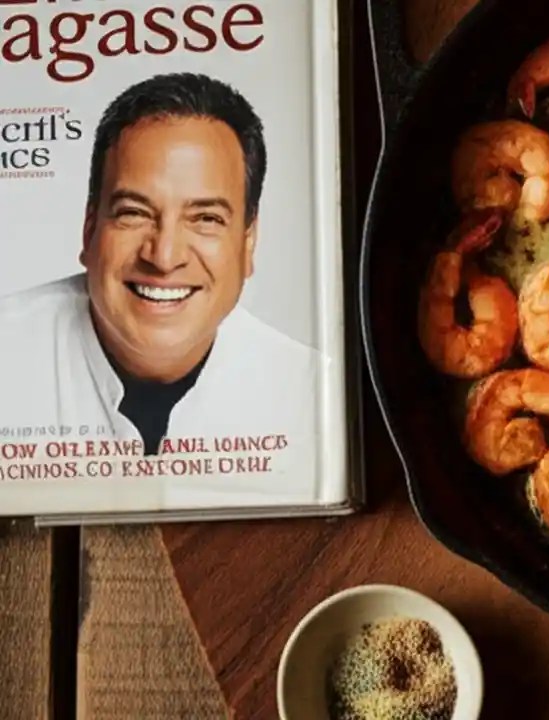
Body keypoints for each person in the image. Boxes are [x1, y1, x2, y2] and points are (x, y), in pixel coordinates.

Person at [0, 73, 326, 489]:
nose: (164, 257)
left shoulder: (313, 399)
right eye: (134, 212)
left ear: (248, 243)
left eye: (206, 219)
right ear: (89, 229)